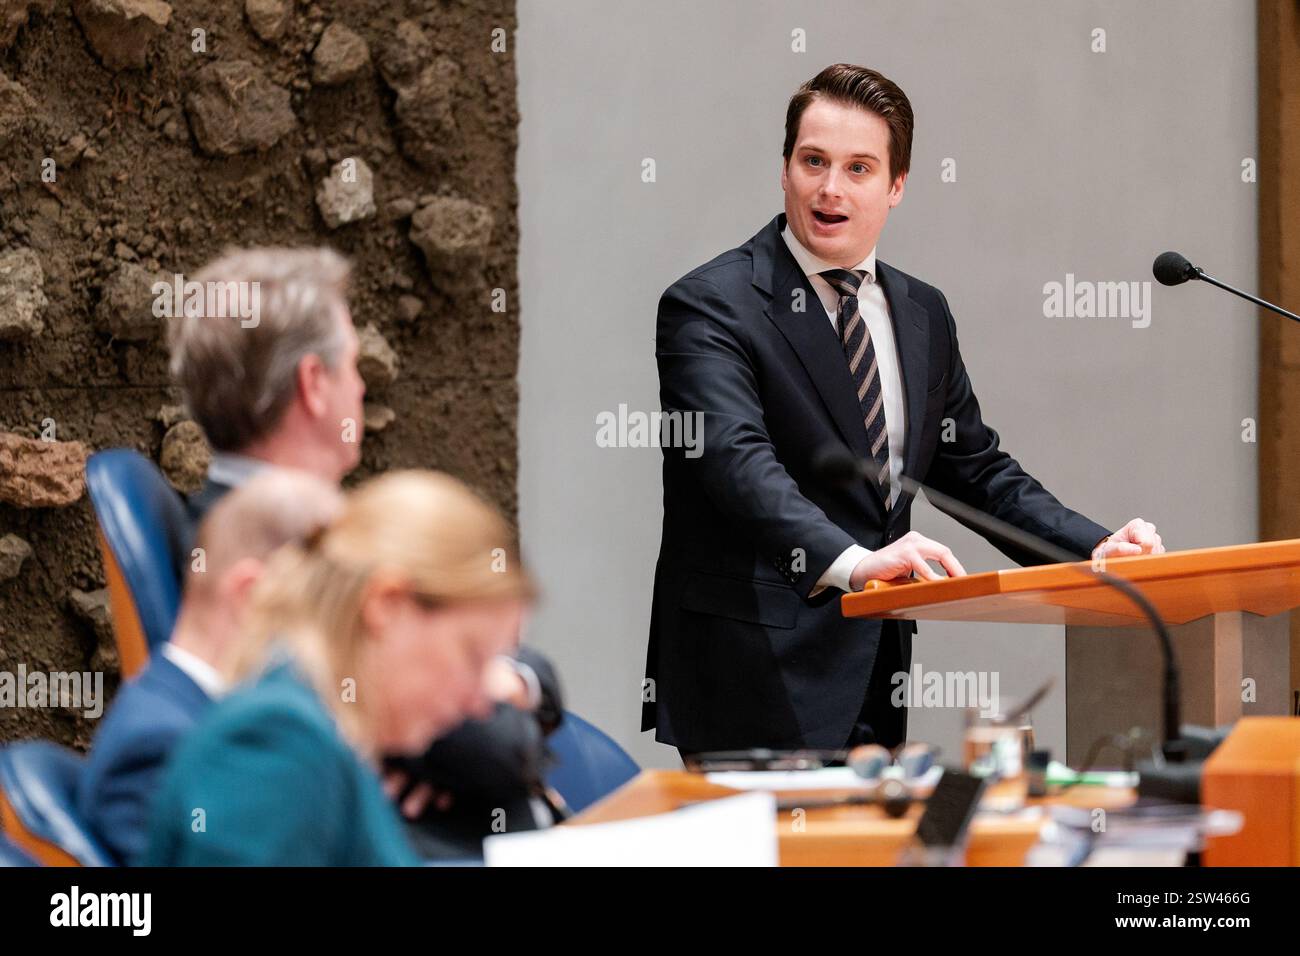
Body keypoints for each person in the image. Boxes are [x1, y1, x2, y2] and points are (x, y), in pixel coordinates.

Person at [642, 64, 1165, 757]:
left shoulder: (921, 313)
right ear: (784, 170)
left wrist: (1090, 549)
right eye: (813, 162)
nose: (830, 188)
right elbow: (737, 466)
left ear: (896, 187)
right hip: (749, 673)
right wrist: (856, 563)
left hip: (873, 671)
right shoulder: (712, 304)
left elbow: (976, 471)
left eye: (859, 168)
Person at [166, 246, 564, 849]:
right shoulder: (257, 552)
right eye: (353, 364)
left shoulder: (323, 525)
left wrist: (514, 678)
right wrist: (509, 698)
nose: (362, 385)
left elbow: (537, 672)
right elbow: (493, 747)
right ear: (314, 385)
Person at [143, 470, 537, 866]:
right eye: (472, 656)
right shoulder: (278, 738)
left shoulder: (318, 725)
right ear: (387, 604)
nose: (482, 704)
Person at [78, 470, 342, 864]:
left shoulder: (207, 722)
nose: (339, 651)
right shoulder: (158, 750)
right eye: (328, 620)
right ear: (252, 597)